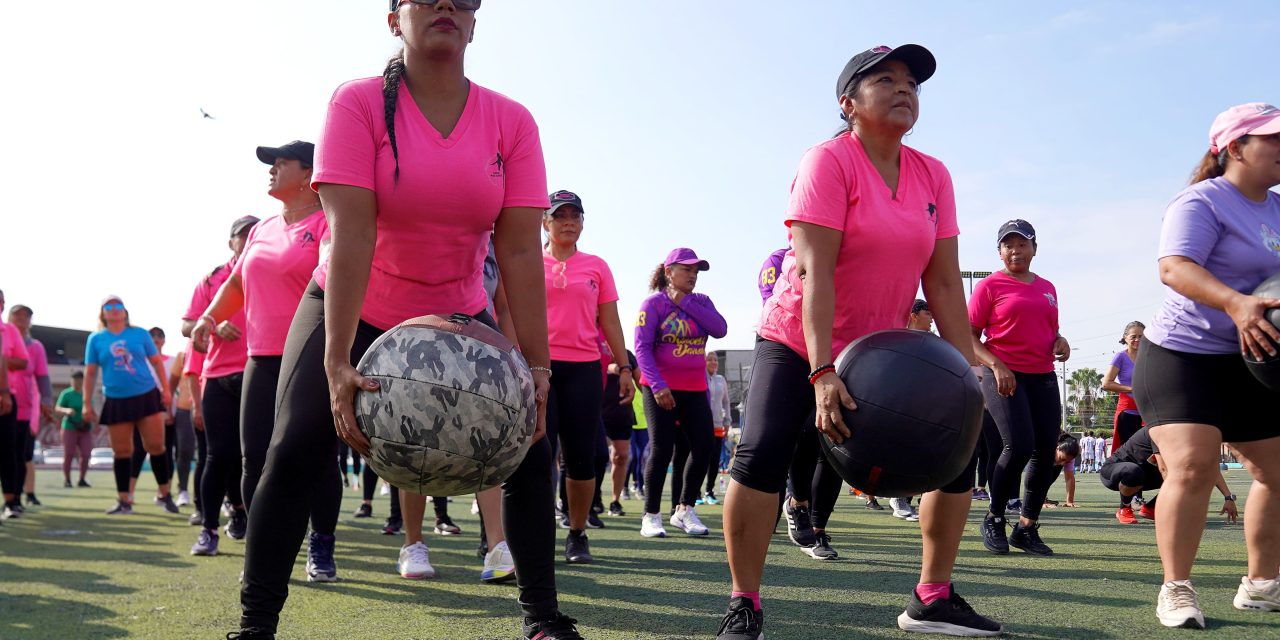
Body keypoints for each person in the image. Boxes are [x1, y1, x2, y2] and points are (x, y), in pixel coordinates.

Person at [232, 1, 580, 637]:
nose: (446, 3)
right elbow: (352, 234)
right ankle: (256, 625)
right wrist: (337, 360)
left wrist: (537, 366)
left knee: (531, 443)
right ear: (394, 19)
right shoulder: (358, 102)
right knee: (294, 447)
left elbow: (522, 250)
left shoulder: (511, 120)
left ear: (476, 20)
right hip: (356, 306)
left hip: (459, 316)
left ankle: (544, 619)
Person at [718, 45, 1002, 639]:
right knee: (763, 451)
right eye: (886, 79)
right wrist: (821, 373)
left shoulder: (934, 175)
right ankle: (744, 603)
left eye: (912, 83)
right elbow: (814, 272)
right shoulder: (828, 162)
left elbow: (945, 283)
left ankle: (933, 598)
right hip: (799, 340)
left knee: (958, 452)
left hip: (880, 351)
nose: (904, 89)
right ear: (848, 103)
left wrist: (965, 368)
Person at [1131, 102, 1280, 628]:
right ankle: (1176, 588)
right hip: (1181, 356)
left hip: (1251, 359)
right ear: (1235, 148)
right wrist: (1235, 302)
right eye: (1273, 139)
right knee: (1194, 465)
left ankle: (1262, 585)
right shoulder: (1201, 201)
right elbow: (1174, 268)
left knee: (1276, 472)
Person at [191, 141, 344, 570]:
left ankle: (322, 544)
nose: (272, 170)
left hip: (309, 357)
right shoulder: (261, 229)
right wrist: (206, 318)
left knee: (316, 457)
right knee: (253, 458)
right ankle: (263, 551)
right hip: (258, 358)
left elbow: (337, 283)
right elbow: (236, 285)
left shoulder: (330, 225)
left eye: (281, 163)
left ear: (309, 174)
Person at [538, 188, 632, 563]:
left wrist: (625, 367)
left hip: (584, 370)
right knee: (537, 454)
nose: (568, 222)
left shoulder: (597, 266)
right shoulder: (529, 261)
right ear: (545, 222)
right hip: (538, 368)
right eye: (559, 216)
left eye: (574, 216)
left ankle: (577, 534)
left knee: (581, 457)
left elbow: (610, 321)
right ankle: (534, 533)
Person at [970, 219, 1072, 558]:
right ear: (999, 252)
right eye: (1008, 245)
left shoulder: (1047, 287)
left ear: (1034, 248)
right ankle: (994, 518)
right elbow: (970, 336)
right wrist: (996, 366)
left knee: (1046, 453)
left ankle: (1026, 527)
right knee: (1018, 446)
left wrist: (1061, 342)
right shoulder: (989, 286)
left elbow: (1050, 332)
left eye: (1022, 243)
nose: (1016, 250)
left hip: (1042, 376)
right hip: (1003, 376)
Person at [636, 248, 727, 539]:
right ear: (668, 272)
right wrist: (659, 386)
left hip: (694, 389)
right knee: (662, 449)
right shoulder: (653, 304)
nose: (692, 275)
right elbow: (642, 349)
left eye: (696, 271)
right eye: (686, 269)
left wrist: (686, 302)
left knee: (703, 447)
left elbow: (720, 329)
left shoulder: (700, 302)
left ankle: (684, 509)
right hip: (660, 388)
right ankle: (651, 515)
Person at [187, 216, 257, 556]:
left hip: (259, 370)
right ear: (230, 242)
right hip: (216, 375)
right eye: (241, 235)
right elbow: (189, 324)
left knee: (256, 457)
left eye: (252, 233)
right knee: (217, 456)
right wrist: (214, 325)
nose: (247, 239)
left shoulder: (269, 267)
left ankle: (259, 530)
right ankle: (208, 530)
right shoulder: (213, 279)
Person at [82, 296, 177, 515]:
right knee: (122, 450)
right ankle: (124, 500)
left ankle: (164, 495)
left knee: (156, 446)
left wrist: (166, 390)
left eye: (118, 306)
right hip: (116, 400)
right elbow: (90, 374)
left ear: (125, 311)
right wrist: (87, 403)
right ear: (103, 312)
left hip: (146, 395)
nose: (114, 310)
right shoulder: (96, 339)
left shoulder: (140, 334)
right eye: (109, 306)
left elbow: (156, 363)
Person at [1102, 426, 1239, 525]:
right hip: (1114, 472)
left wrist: (1228, 498)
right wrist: (1177, 498)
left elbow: (1210, 468)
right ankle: (1124, 508)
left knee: (1194, 474)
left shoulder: (1195, 437)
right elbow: (1163, 469)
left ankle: (1151, 508)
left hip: (1145, 475)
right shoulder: (1161, 429)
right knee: (1134, 471)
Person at [6, 304, 53, 508]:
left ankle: (15, 497)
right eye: (17, 315)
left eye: (26, 316)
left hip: (23, 406)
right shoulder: (4, 335)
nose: (21, 319)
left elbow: (42, 376)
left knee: (18, 453)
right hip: (3, 401)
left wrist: (47, 401)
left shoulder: (35, 347)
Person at [0, 297, 28, 519]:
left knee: (8, 451)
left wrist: (4, 392)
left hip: (6, 397)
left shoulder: (9, 331)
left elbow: (22, 362)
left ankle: (11, 501)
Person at [604, 348, 639, 516]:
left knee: (621, 456)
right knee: (593, 456)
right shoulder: (593, 349)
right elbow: (606, 368)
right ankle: (591, 501)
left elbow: (641, 380)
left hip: (622, 411)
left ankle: (615, 501)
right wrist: (618, 369)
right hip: (596, 411)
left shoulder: (627, 355)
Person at [1103, 321, 1146, 451]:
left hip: (1147, 412)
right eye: (1133, 336)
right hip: (1128, 413)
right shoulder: (1120, 357)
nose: (1137, 339)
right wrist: (1133, 389)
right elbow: (1106, 383)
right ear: (1125, 338)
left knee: (1148, 455)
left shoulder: (1149, 357)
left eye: (1141, 336)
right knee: (1129, 453)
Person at [56, 371, 93, 488]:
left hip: (85, 428)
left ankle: (82, 479)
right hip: (70, 427)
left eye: (79, 380)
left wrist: (94, 418)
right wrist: (66, 410)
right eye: (74, 380)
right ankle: (67, 479)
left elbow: (91, 409)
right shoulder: (66, 394)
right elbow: (57, 408)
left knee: (86, 454)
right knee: (69, 454)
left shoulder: (87, 393)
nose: (77, 383)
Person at [705, 351, 731, 505]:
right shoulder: (700, 377)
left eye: (715, 360)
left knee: (715, 460)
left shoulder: (721, 380)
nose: (713, 362)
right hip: (702, 424)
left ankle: (709, 491)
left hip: (718, 425)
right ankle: (695, 493)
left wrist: (727, 420)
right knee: (701, 458)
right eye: (710, 359)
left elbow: (726, 402)